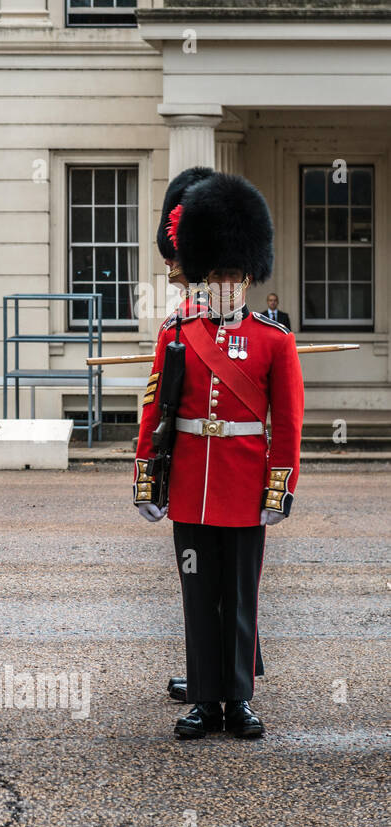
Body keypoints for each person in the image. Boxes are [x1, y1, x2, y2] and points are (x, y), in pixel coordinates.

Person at [134, 173, 303, 740]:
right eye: (218, 274)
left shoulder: (274, 340)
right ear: (206, 275)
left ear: (249, 275)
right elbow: (155, 411)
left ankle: (239, 699)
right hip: (190, 485)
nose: (227, 283)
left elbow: (289, 422)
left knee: (239, 598)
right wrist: (147, 481)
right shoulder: (178, 332)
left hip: (244, 484)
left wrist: (279, 486)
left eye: (235, 274)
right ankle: (206, 701)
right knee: (198, 595)